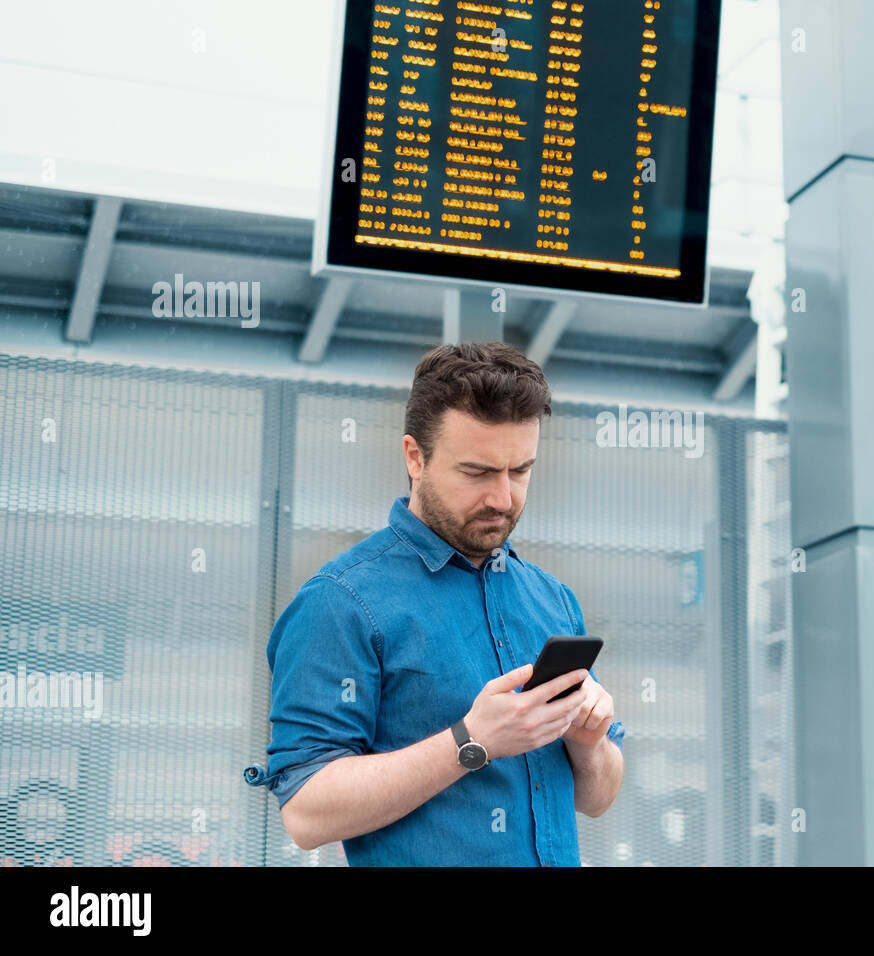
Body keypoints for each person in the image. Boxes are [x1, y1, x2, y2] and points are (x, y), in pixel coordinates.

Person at [243, 342, 624, 865]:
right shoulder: (342, 602)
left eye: (520, 471)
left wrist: (589, 743)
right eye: (477, 472)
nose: (503, 498)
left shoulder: (553, 601)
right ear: (414, 457)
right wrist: (473, 741)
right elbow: (307, 813)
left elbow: (597, 799)